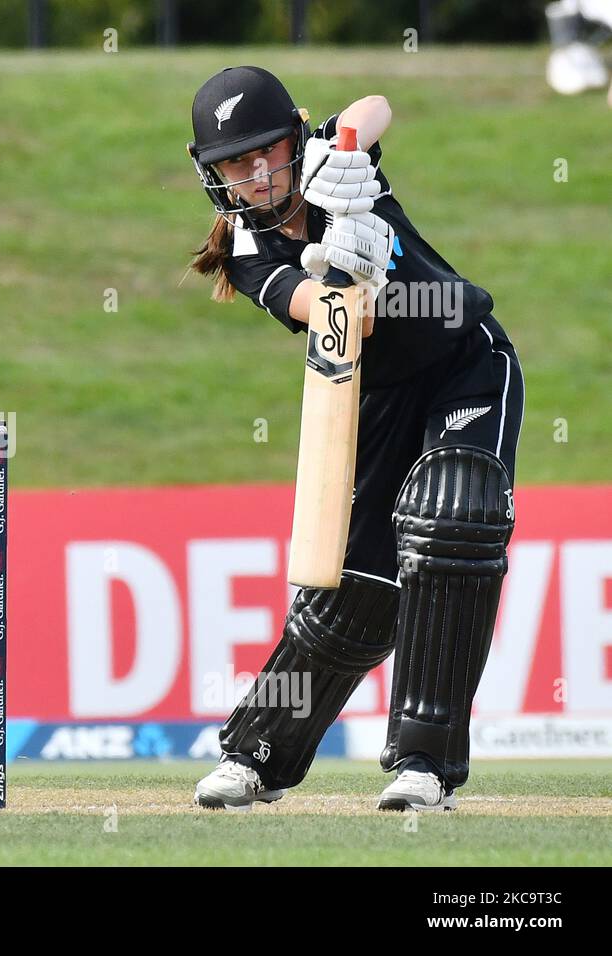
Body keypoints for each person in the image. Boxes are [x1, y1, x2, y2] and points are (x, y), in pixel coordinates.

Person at [186, 66, 523, 811]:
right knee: (352, 592)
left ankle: (425, 767)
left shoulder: (335, 164)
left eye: (264, 152)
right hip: (372, 396)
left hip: (465, 362)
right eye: (232, 165)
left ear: (291, 137)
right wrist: (347, 268)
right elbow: (347, 322)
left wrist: (343, 151)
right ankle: (259, 757)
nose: (253, 175)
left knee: (453, 520)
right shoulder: (248, 253)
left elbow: (377, 105)